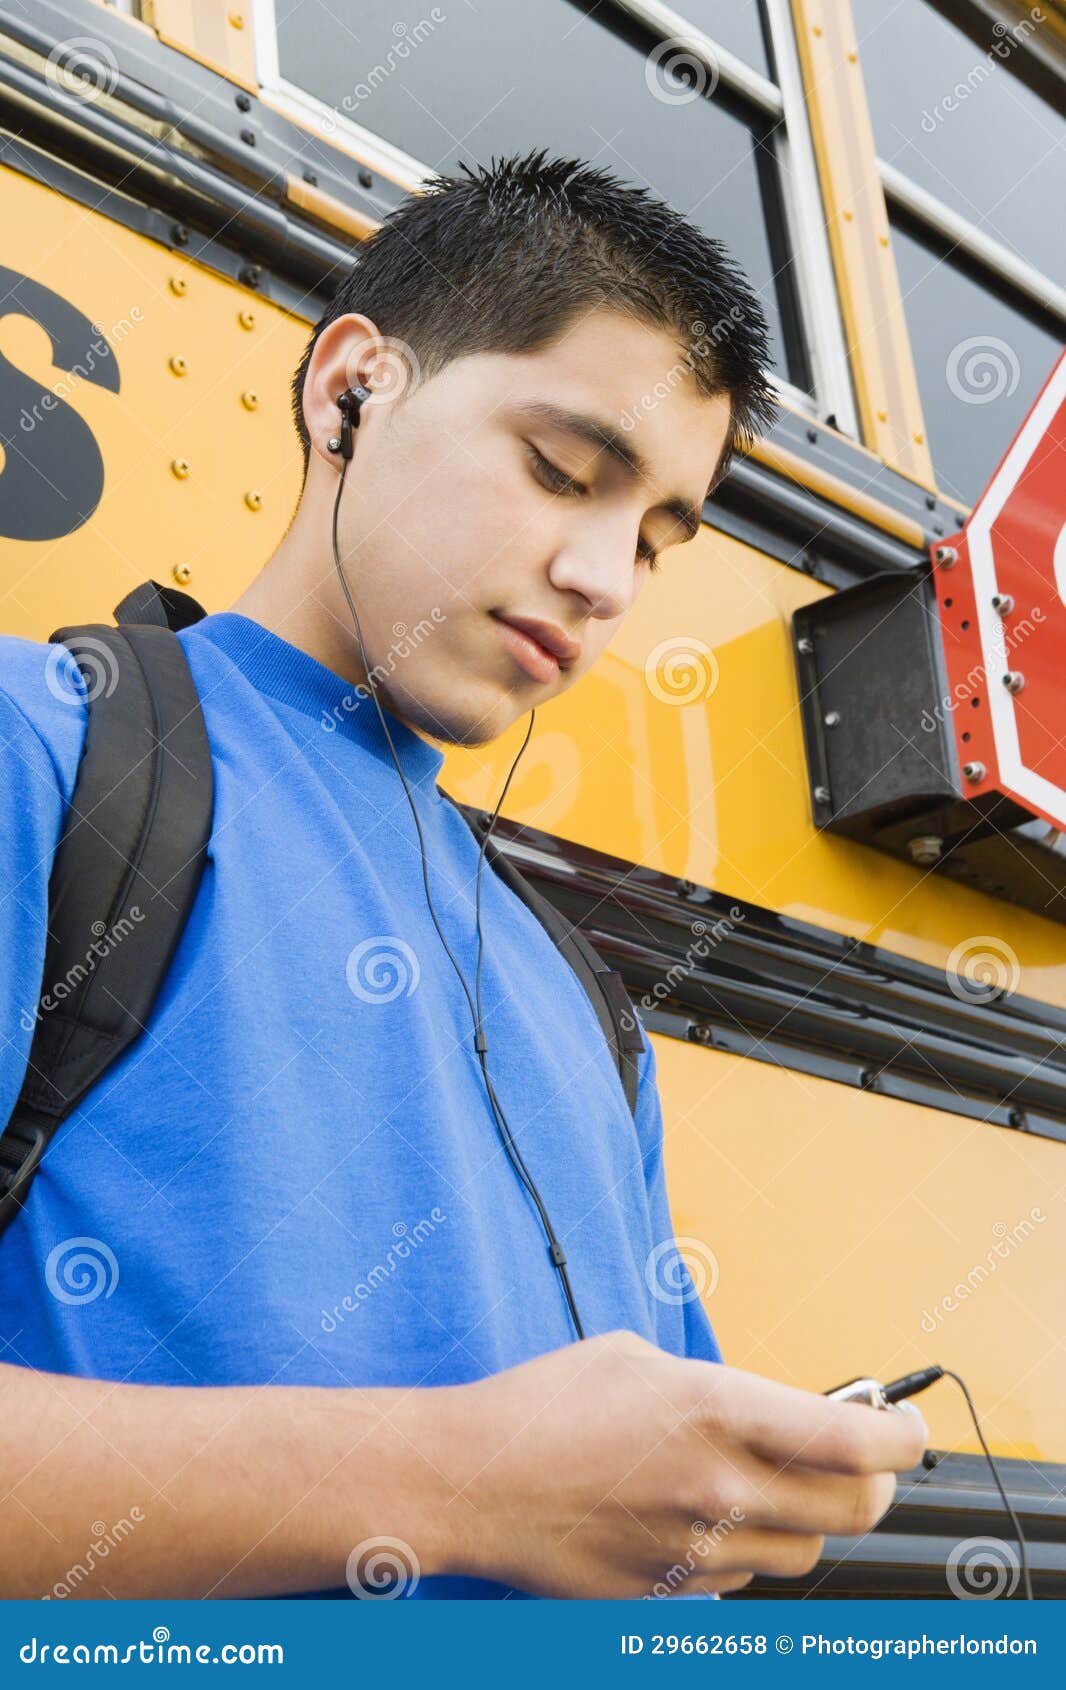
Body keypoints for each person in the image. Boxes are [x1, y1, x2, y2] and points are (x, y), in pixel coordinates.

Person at [0, 150, 925, 1600]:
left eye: (655, 541)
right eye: (565, 471)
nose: (606, 577)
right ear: (348, 390)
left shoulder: (587, 995)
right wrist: (462, 1480)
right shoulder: (43, 752)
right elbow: (507, 1480)